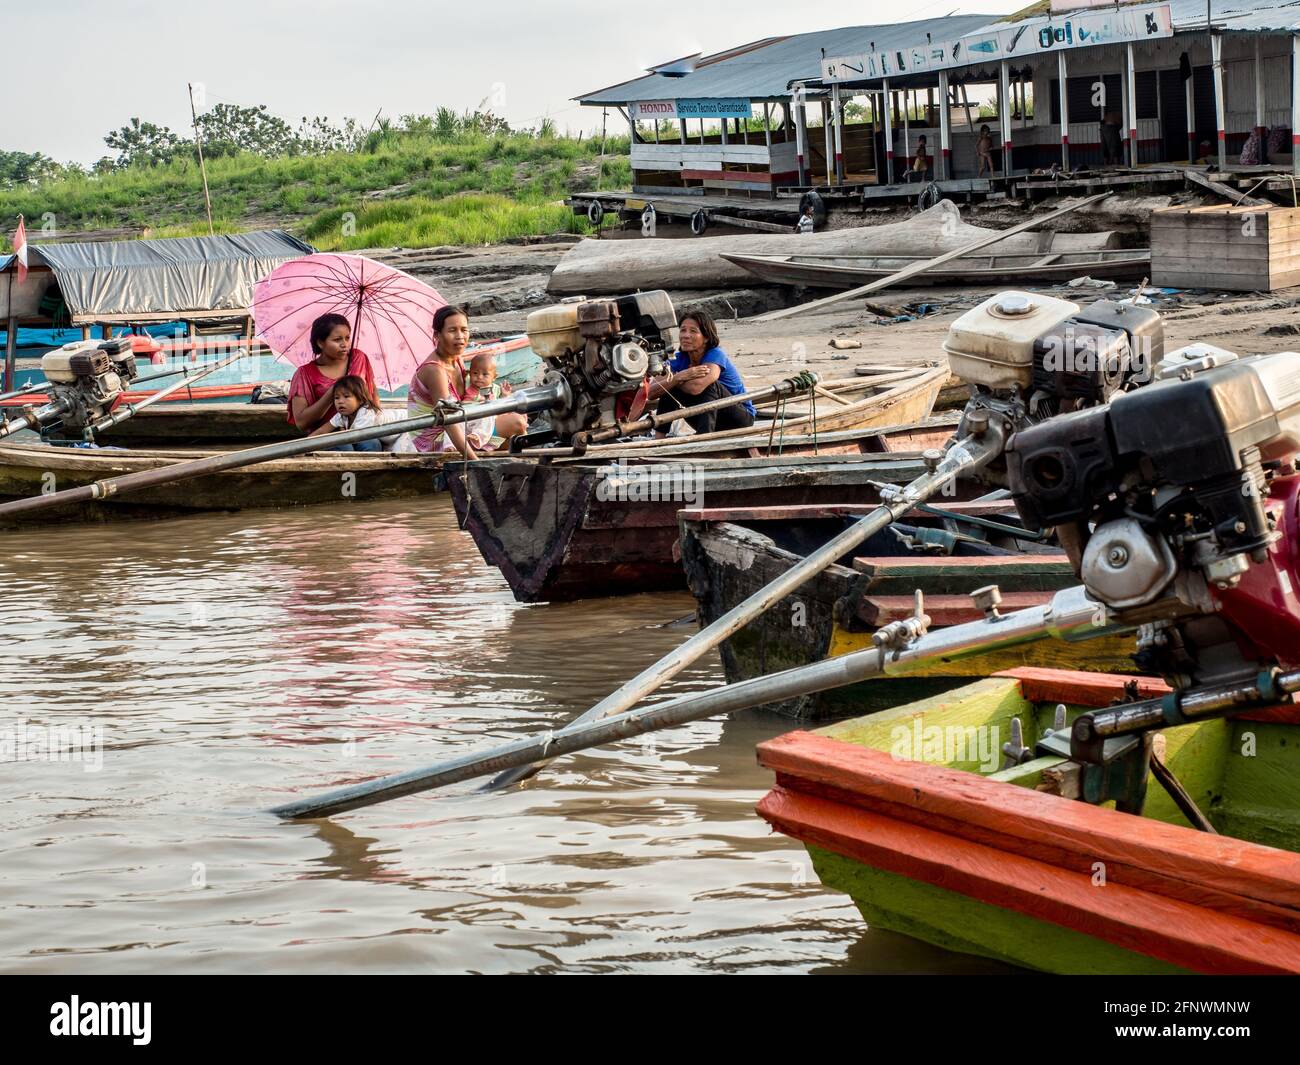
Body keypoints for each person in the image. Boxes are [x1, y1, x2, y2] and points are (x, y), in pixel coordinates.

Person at [407, 305, 527, 457]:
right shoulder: (435, 371)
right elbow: (448, 420)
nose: (460, 336)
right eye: (452, 330)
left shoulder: (457, 360)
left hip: (462, 423)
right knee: (516, 423)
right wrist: (473, 461)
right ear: (437, 335)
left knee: (513, 437)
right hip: (438, 439)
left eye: (464, 330)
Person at [646, 309, 754, 436]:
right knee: (669, 387)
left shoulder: (716, 354)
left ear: (706, 337)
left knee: (710, 385)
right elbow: (651, 392)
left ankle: (703, 438)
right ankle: (658, 440)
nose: (686, 336)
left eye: (693, 331)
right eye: (682, 330)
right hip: (705, 417)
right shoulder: (678, 359)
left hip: (738, 418)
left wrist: (674, 380)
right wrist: (678, 377)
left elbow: (696, 387)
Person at [287, 313, 377, 434]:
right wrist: (334, 391)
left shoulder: (358, 358)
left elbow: (373, 397)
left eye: (347, 338)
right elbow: (301, 423)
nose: (344, 344)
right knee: (345, 448)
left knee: (374, 445)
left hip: (361, 431)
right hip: (326, 436)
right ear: (320, 343)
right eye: (337, 339)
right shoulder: (304, 374)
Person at [308, 374, 405, 452]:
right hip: (386, 438)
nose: (340, 401)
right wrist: (303, 445)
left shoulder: (366, 413)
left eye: (346, 396)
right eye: (336, 398)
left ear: (360, 399)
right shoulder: (342, 416)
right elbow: (321, 431)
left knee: (401, 456)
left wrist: (342, 431)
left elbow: (352, 438)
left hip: (405, 427)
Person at [462, 352, 512, 452]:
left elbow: (501, 406)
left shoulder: (496, 389)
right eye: (475, 373)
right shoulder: (467, 384)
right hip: (469, 417)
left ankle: (477, 436)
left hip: (486, 419)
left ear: (494, 377)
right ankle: (454, 444)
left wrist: (505, 396)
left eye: (485, 374)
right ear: (469, 373)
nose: (479, 377)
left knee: (489, 413)